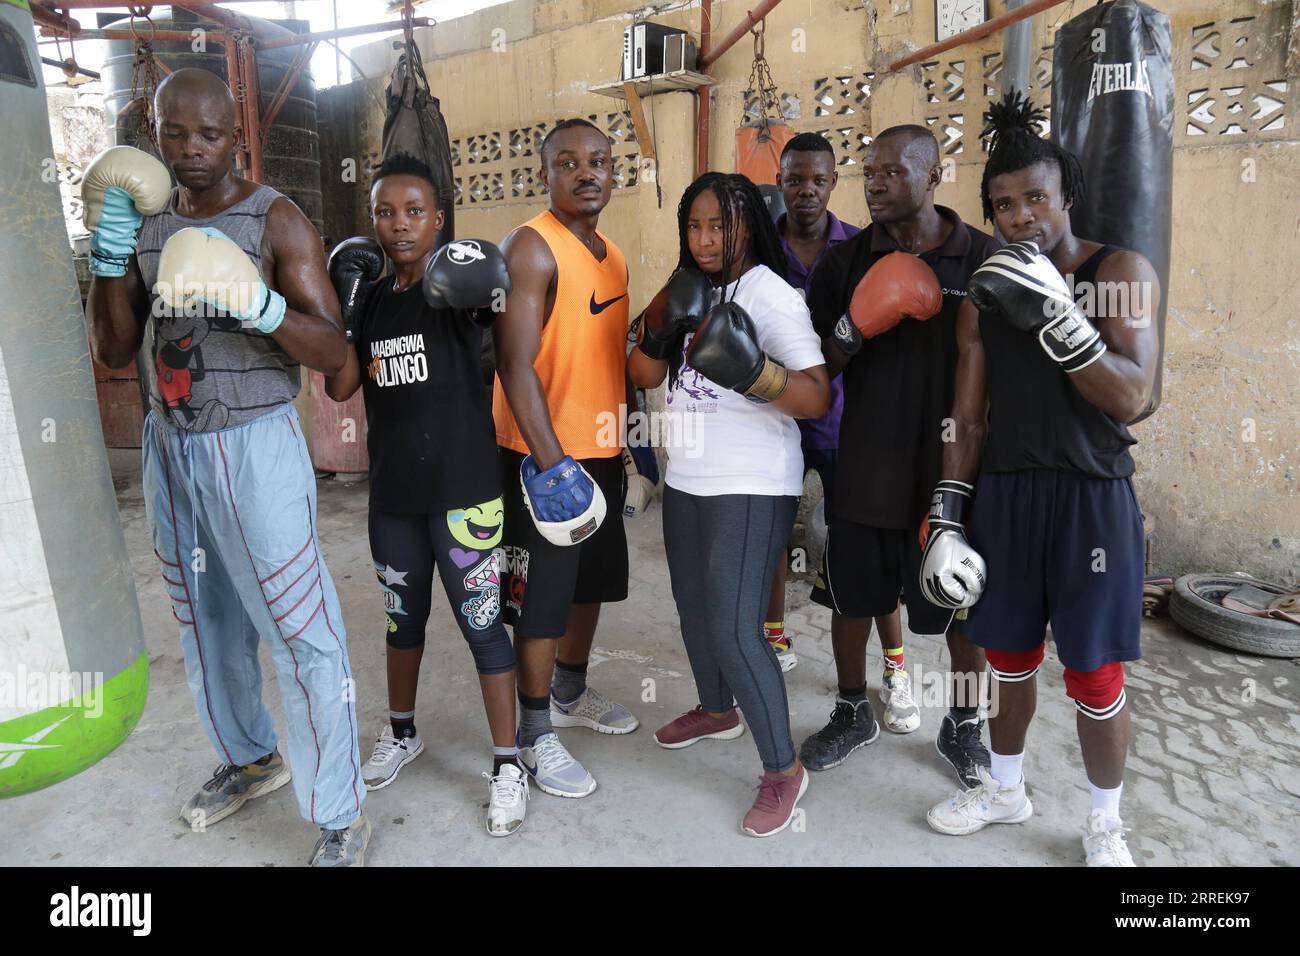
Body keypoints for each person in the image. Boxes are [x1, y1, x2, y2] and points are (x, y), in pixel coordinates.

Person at [83, 68, 367, 866]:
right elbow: (111, 347)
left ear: (236, 134)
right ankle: (251, 757)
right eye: (175, 134)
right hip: (171, 445)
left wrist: (266, 308)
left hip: (255, 446)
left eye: (209, 135)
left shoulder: (274, 221)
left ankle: (340, 809)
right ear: (156, 130)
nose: (192, 151)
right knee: (205, 621)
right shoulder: (143, 221)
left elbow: (339, 358)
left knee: (298, 625)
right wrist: (109, 259)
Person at [923, 92, 1160, 867]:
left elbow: (1133, 395)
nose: (1021, 216)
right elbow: (968, 414)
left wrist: (1064, 320)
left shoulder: (1118, 270)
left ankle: (1104, 822)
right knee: (1007, 660)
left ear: (1065, 197)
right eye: (1003, 205)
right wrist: (949, 516)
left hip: (1093, 497)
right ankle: (1005, 788)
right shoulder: (983, 299)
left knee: (1093, 672)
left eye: (1035, 198)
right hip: (1009, 496)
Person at [322, 154, 527, 836]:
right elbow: (342, 386)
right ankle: (402, 732)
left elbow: (493, 323)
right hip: (395, 498)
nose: (399, 224)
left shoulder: (458, 291)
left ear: (439, 219)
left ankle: (507, 764)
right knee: (399, 624)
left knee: (482, 626)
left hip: (467, 496)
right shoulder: (374, 297)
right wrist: (348, 308)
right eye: (385, 211)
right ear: (372, 219)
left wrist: (481, 291)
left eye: (414, 211)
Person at [630, 172, 830, 836]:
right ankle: (717, 710)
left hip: (751, 479)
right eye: (696, 225)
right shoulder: (688, 284)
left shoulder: (772, 295)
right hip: (688, 474)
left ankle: (782, 770)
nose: (707, 238)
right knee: (693, 611)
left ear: (749, 226)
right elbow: (643, 374)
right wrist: (659, 328)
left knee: (735, 628)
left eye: (720, 225)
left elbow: (816, 394)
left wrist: (752, 372)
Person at [801, 125, 998, 783]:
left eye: (893, 171)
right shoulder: (843, 263)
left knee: (963, 605)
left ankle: (964, 724)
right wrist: (852, 328)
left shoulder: (984, 260)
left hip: (955, 469)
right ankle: (853, 709)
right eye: (870, 171)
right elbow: (815, 370)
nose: (876, 181)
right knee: (853, 597)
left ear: (934, 173)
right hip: (868, 460)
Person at [492, 118, 639, 799]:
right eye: (570, 162)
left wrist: (629, 444)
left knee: (592, 584)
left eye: (600, 161)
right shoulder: (530, 247)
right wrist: (555, 470)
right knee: (541, 603)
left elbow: (608, 359)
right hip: (542, 460)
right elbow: (514, 364)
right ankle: (532, 732)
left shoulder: (613, 255)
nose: (588, 173)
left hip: (601, 450)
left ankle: (570, 694)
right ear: (545, 173)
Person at [761, 132, 873, 676]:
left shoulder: (858, 248)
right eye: (795, 179)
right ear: (780, 183)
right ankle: (775, 636)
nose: (807, 190)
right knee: (774, 533)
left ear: (833, 184)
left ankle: (875, 665)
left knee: (852, 535)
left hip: (841, 421)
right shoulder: (758, 250)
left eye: (819, 180)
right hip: (773, 417)